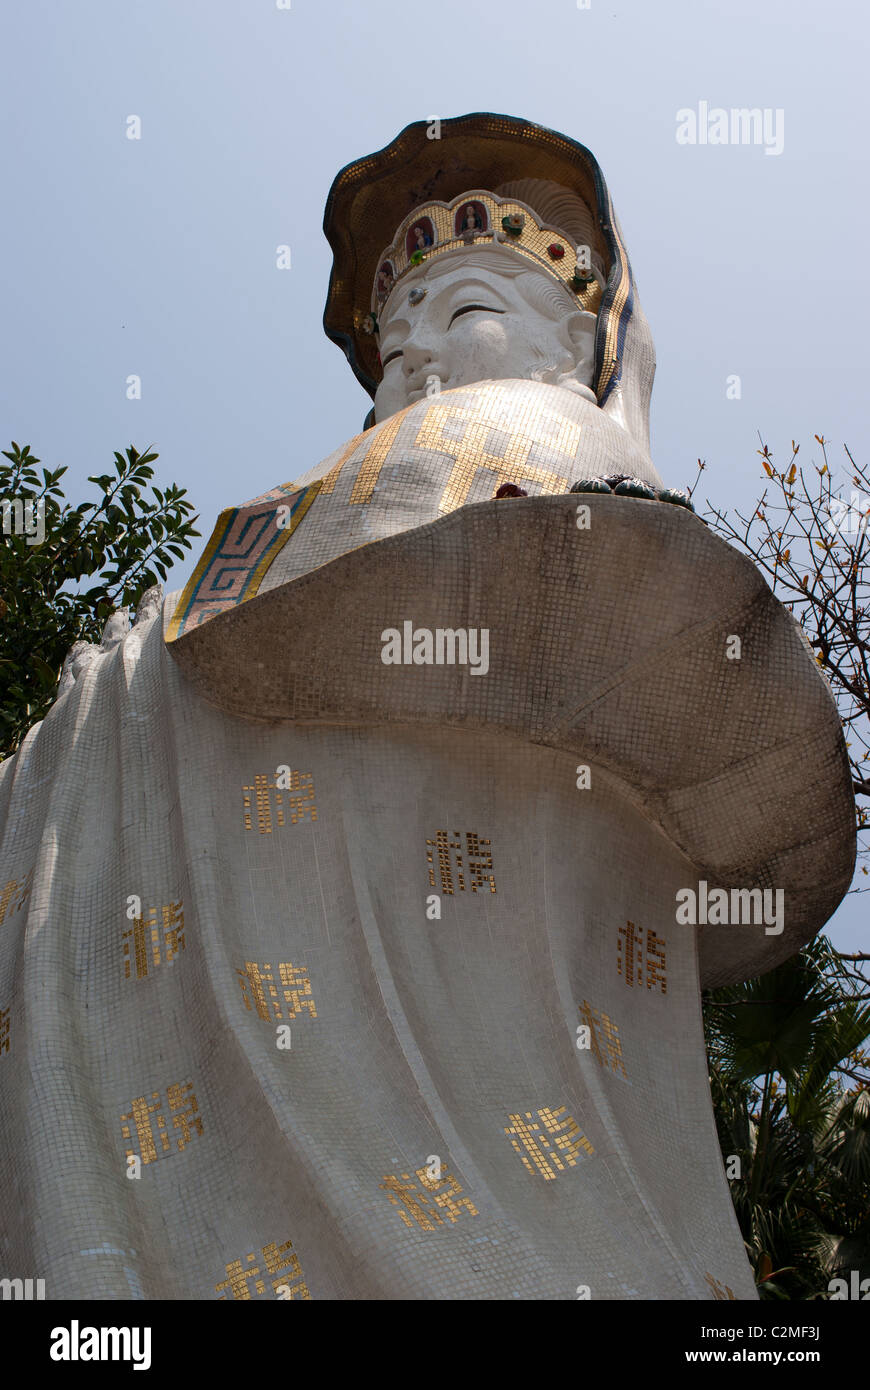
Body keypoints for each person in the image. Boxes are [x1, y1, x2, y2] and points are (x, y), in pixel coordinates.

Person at [0, 113, 854, 1302]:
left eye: (466, 315)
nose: (423, 366)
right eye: (398, 349)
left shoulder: (544, 432)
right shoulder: (312, 502)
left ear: (578, 348)